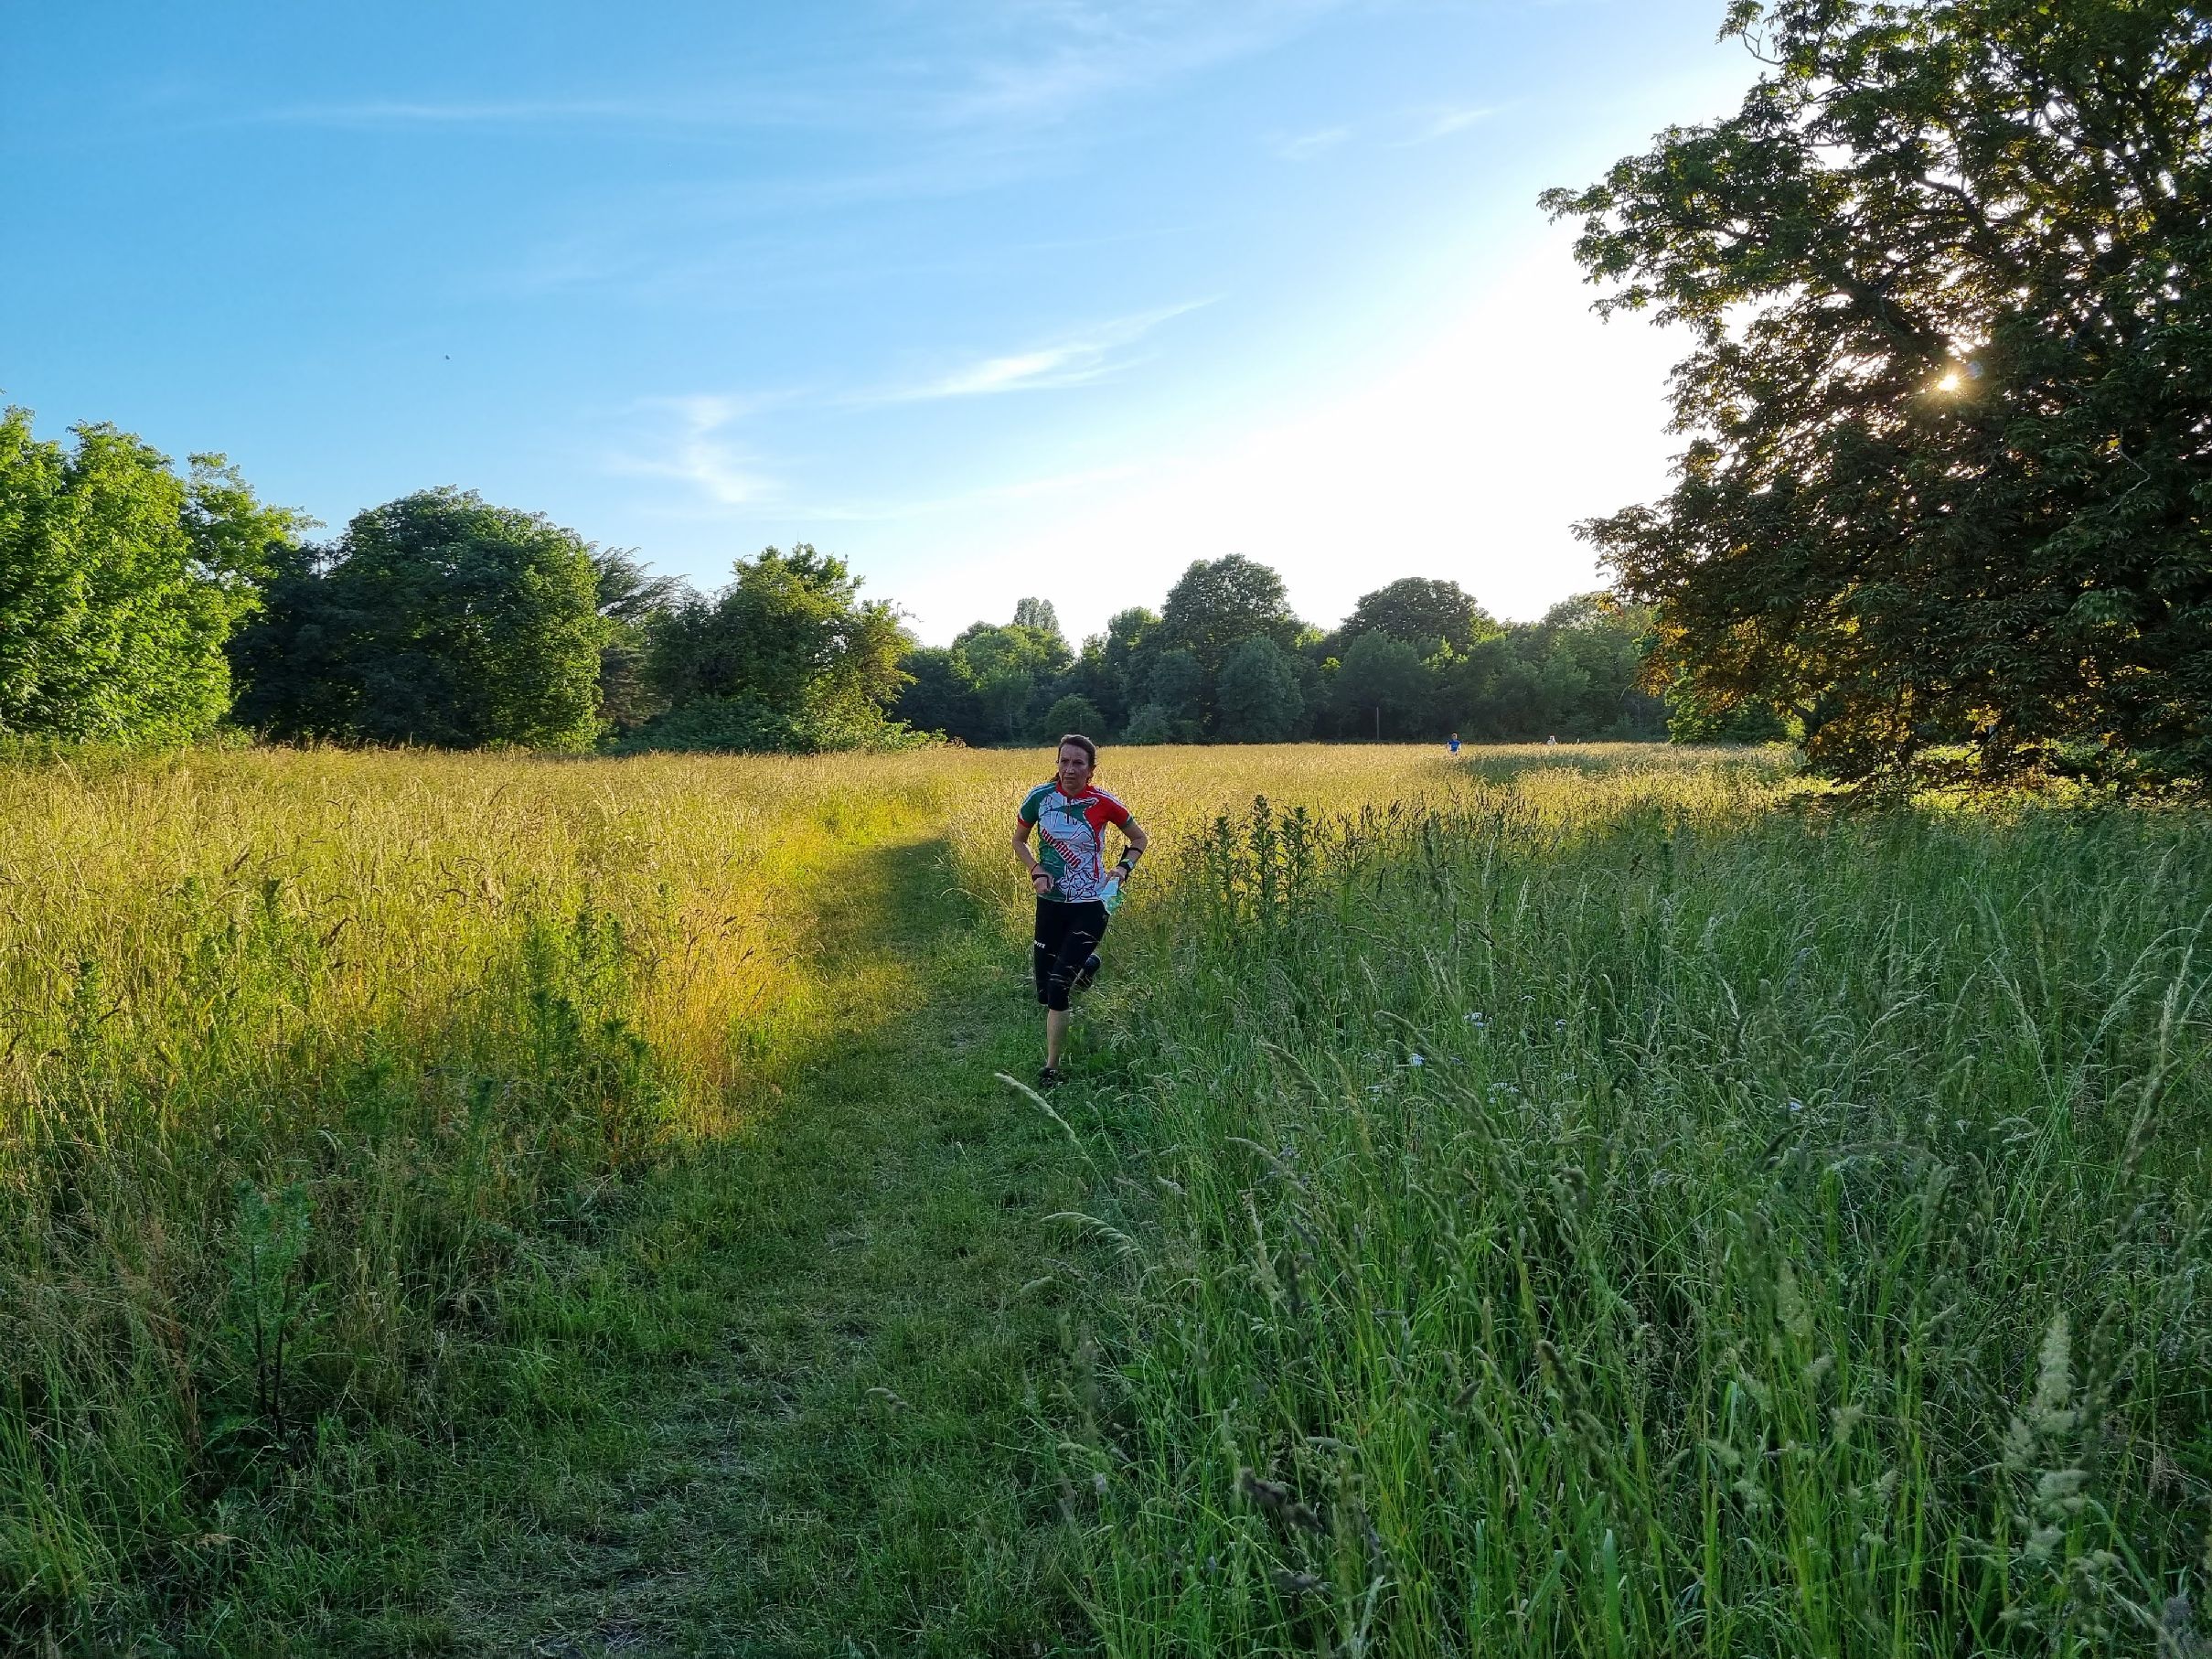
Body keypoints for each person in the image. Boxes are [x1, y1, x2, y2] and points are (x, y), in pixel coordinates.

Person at [1011, 733, 1148, 1088]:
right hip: (1051, 903)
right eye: (1064, 761)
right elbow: (1019, 841)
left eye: (1078, 763)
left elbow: (1139, 838)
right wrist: (1036, 869)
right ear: (1057, 764)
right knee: (1045, 991)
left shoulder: (1104, 802)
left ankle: (1051, 1068)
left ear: (1091, 770)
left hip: (1094, 902)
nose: (1070, 769)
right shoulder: (1039, 798)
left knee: (1058, 989)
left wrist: (1123, 869)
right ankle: (1088, 964)